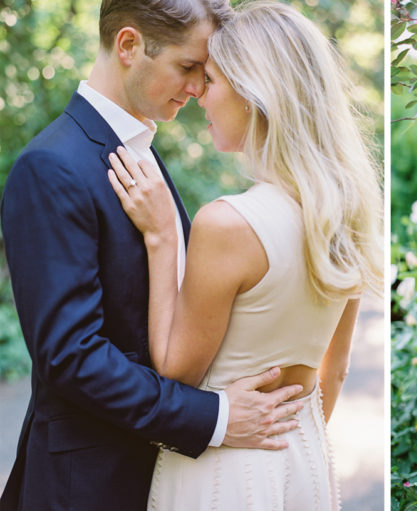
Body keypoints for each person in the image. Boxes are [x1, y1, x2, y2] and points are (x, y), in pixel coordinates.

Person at [0, 1, 309, 510]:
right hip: (92, 484)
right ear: (129, 46)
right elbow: (70, 357)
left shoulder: (140, 150)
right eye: (189, 67)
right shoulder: (50, 167)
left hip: (165, 479)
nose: (198, 88)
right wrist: (216, 416)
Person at [106, 2, 383, 509]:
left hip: (225, 470)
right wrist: (295, 441)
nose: (199, 97)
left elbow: (175, 371)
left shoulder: (229, 223)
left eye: (209, 81)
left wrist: (164, 237)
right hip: (304, 460)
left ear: (255, 95)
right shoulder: (347, 212)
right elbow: (334, 372)